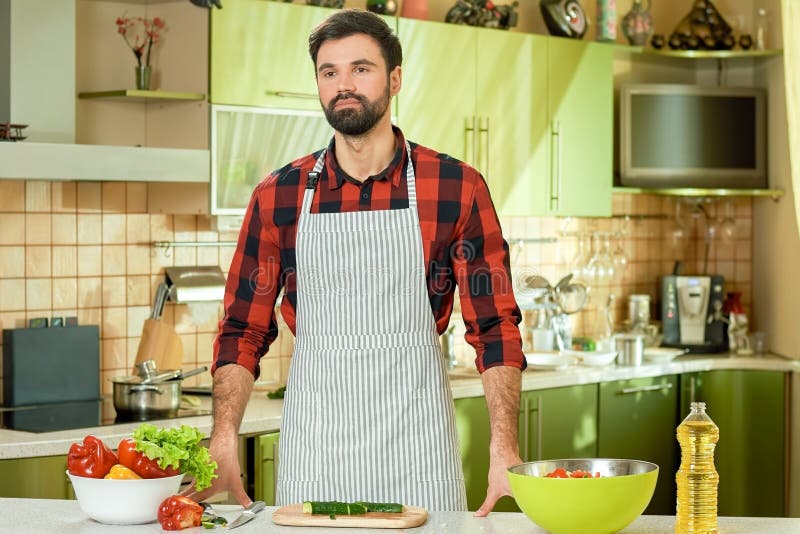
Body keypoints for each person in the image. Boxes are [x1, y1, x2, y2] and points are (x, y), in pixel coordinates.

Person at [184, 8, 525, 515]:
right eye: (330, 72)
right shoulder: (278, 195)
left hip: (418, 453)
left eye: (360, 69)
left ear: (395, 79)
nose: (344, 84)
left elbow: (495, 326)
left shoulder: (456, 187)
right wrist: (222, 438)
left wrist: (504, 448)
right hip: (315, 452)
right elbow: (242, 329)